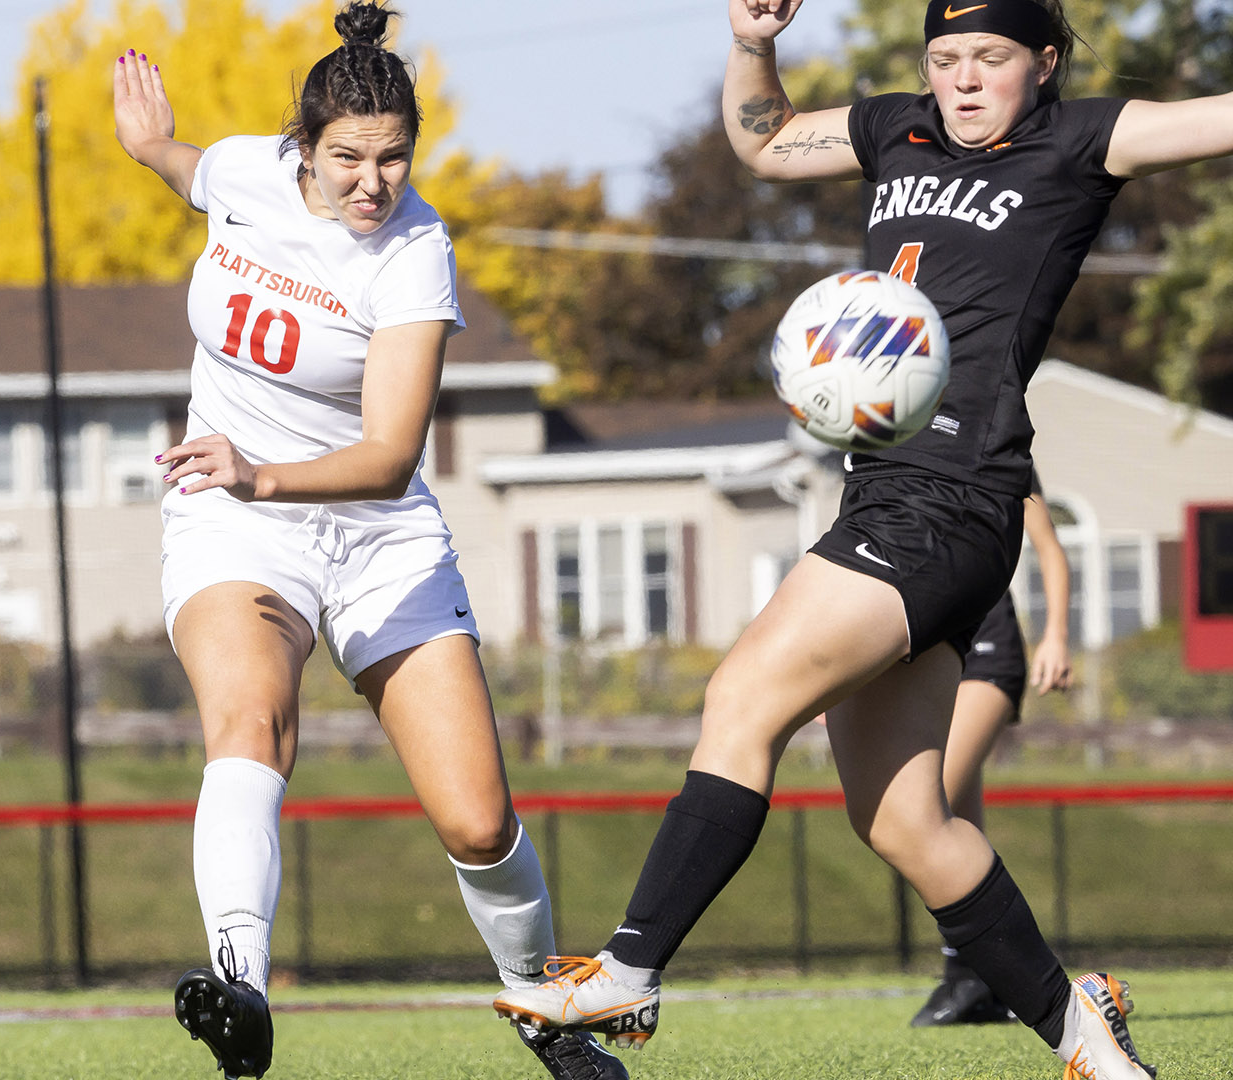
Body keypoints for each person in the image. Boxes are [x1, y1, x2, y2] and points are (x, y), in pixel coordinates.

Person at [495, 3, 1233, 1078]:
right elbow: (759, 138)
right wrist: (753, 41)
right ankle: (1092, 1048)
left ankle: (629, 973)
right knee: (902, 822)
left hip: (953, 497)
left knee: (742, 698)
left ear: (1048, 63)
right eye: (945, 60)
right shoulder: (894, 127)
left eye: (992, 59)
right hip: (891, 501)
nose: (966, 81)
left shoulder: (1082, 141)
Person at [113, 5, 624, 1079]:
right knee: (251, 718)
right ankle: (238, 987)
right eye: (348, 156)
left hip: (379, 540)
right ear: (304, 146)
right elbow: (191, 169)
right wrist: (149, 143)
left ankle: (547, 1013)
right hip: (235, 520)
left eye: (394, 159)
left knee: (480, 823)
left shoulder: (417, 253)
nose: (371, 183)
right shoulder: (253, 172)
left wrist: (262, 467)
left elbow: (391, 456)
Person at [913, 468, 1074, 1027]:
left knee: (932, 801)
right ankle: (977, 979)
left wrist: (1055, 634)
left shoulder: (1004, 448)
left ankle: (991, 974)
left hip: (987, 651)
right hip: (925, 650)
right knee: (959, 819)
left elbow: (1049, 548)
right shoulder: (899, 441)